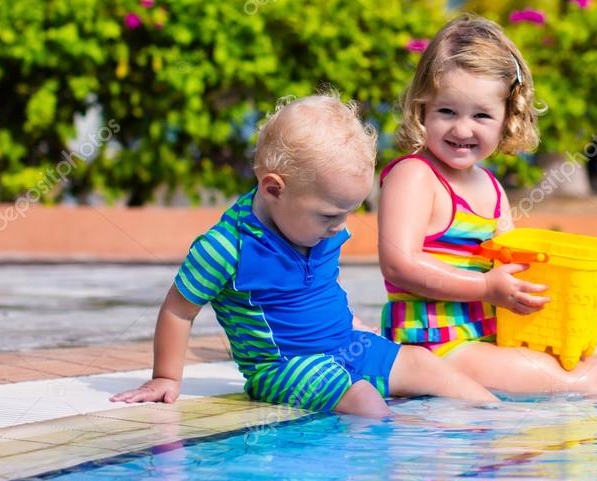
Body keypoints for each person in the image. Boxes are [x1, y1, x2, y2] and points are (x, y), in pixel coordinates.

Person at [111, 94, 497, 418]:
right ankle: (420, 450)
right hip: (284, 368)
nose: (340, 225)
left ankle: (496, 423)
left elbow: (320, 288)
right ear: (274, 189)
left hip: (347, 345)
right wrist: (166, 377)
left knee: (426, 364)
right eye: (330, 214)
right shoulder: (227, 247)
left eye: (348, 211)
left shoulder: (315, 224)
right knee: (364, 399)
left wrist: (354, 324)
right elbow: (180, 310)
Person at [378, 15, 597, 395]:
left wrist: (585, 298)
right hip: (433, 350)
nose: (462, 129)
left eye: (481, 115)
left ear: (508, 118)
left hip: (482, 341)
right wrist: (486, 287)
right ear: (422, 107)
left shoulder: (491, 188)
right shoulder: (415, 175)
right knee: (591, 380)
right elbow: (400, 263)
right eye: (447, 112)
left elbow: (516, 273)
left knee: (591, 370)